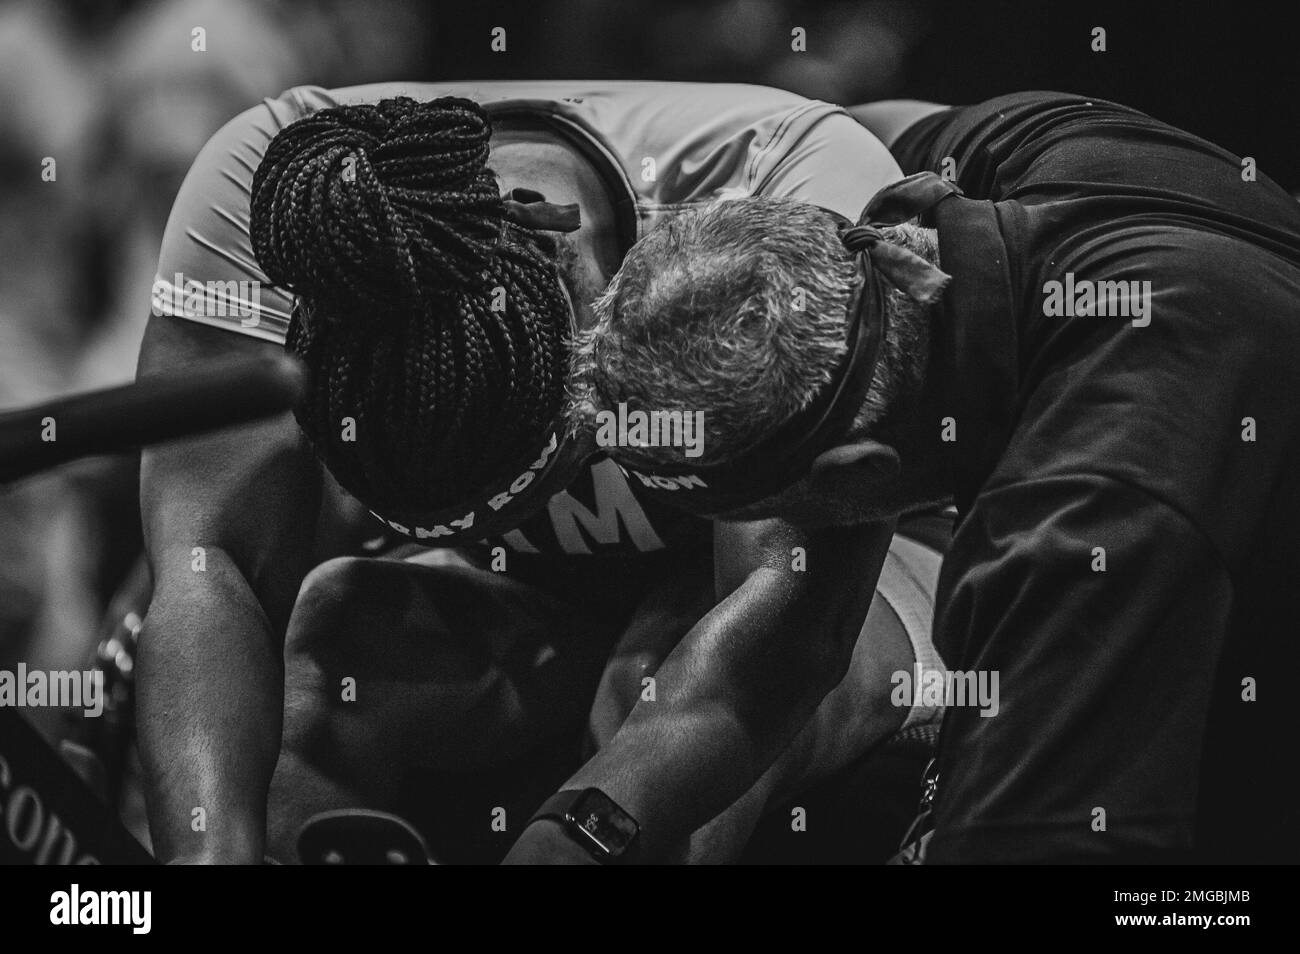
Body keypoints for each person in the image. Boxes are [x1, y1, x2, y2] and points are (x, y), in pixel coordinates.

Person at [137, 80, 947, 864]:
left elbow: (793, 624)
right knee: (326, 649)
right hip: (556, 610)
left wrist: (576, 839)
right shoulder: (276, 197)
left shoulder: (787, 196)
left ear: (580, 298)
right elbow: (211, 567)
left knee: (656, 685)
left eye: (541, 480)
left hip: (869, 577)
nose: (504, 532)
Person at [571, 90, 1300, 863]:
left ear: (859, 473)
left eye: (760, 519)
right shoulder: (1024, 142)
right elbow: (863, 123)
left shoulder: (1074, 533)